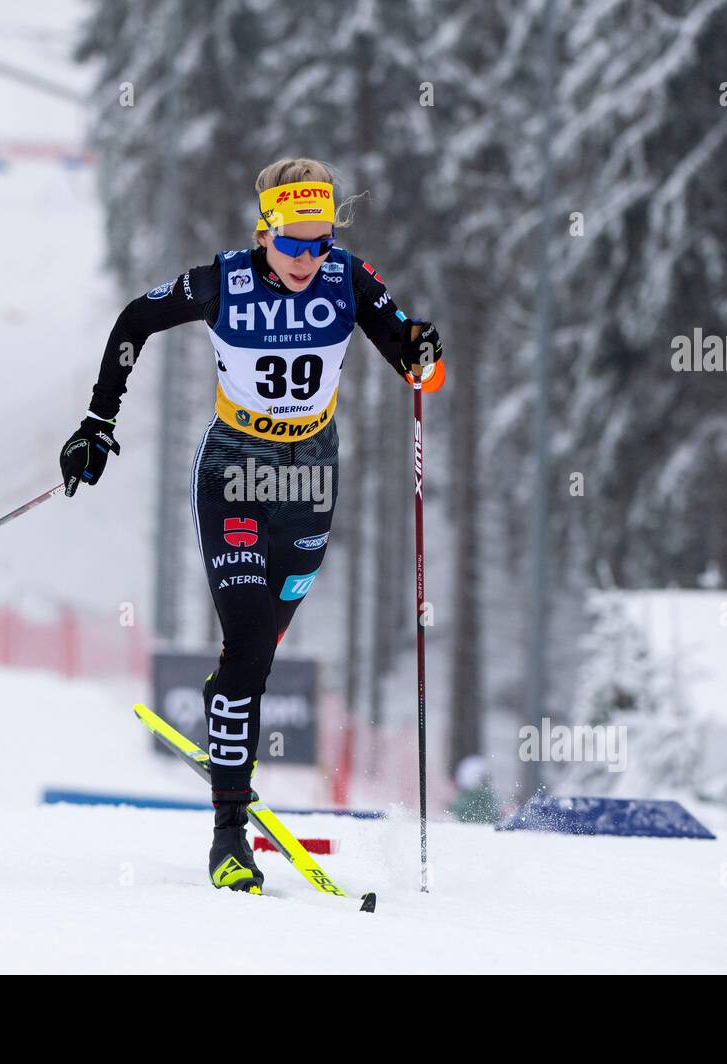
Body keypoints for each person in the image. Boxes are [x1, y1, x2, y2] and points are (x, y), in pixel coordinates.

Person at [60, 158, 444, 893]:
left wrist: (423, 353)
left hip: (310, 481)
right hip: (234, 475)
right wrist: (97, 419)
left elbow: (407, 351)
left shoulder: (347, 278)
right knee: (244, 649)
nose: (308, 259)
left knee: (262, 647)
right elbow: (135, 319)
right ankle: (230, 833)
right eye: (293, 244)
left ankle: (231, 698)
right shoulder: (223, 281)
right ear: (264, 232)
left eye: (320, 242)